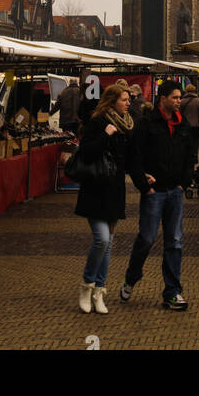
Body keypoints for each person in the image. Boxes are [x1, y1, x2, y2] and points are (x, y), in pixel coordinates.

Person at [120, 79, 194, 310]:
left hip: (174, 191)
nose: (178, 101)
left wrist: (184, 182)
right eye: (174, 98)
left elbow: (190, 156)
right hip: (154, 192)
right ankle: (132, 277)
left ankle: (172, 292)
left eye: (179, 97)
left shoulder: (184, 126)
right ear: (162, 99)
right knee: (147, 238)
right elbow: (134, 157)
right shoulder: (146, 125)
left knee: (175, 241)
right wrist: (144, 184)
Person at [75, 82, 137, 315]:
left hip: (115, 188)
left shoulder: (128, 125)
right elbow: (86, 152)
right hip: (96, 187)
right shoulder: (98, 122)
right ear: (112, 102)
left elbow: (129, 158)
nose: (128, 103)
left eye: (129, 99)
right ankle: (86, 285)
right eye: (124, 99)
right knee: (101, 239)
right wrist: (104, 135)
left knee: (109, 244)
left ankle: (99, 291)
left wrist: (144, 176)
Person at [179, 83, 199, 152]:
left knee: (186, 141)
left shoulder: (182, 101)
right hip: (196, 125)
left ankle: (187, 155)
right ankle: (194, 155)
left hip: (185, 125)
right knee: (195, 141)